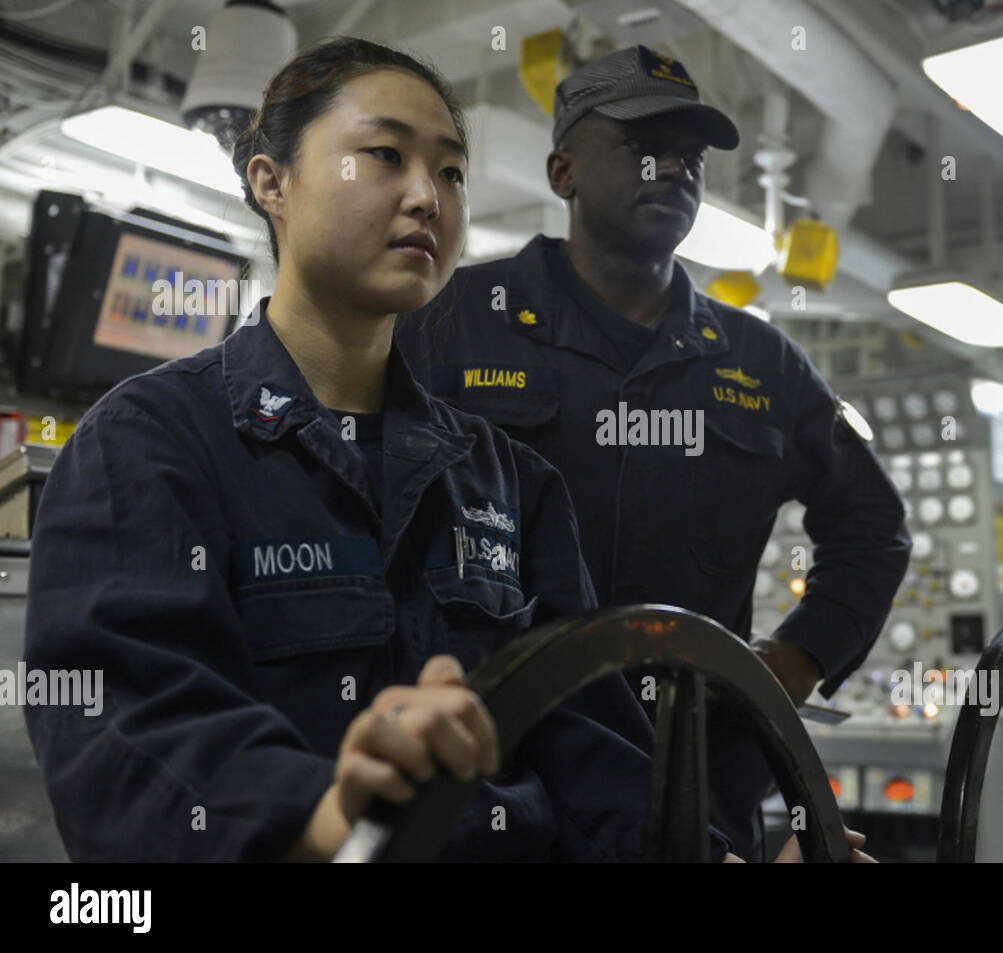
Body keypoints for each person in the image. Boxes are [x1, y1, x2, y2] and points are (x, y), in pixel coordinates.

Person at [23, 37, 763, 863]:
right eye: (384, 155)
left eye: (450, 173)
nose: (427, 197)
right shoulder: (148, 443)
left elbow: (590, 749)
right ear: (273, 183)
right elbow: (124, 730)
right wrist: (338, 815)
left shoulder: (514, 484)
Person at [395, 45, 912, 860]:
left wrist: (799, 656)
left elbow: (873, 524)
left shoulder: (761, 363)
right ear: (563, 171)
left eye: (691, 157)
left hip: (694, 791)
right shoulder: (453, 322)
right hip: (496, 783)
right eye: (642, 145)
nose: (673, 168)